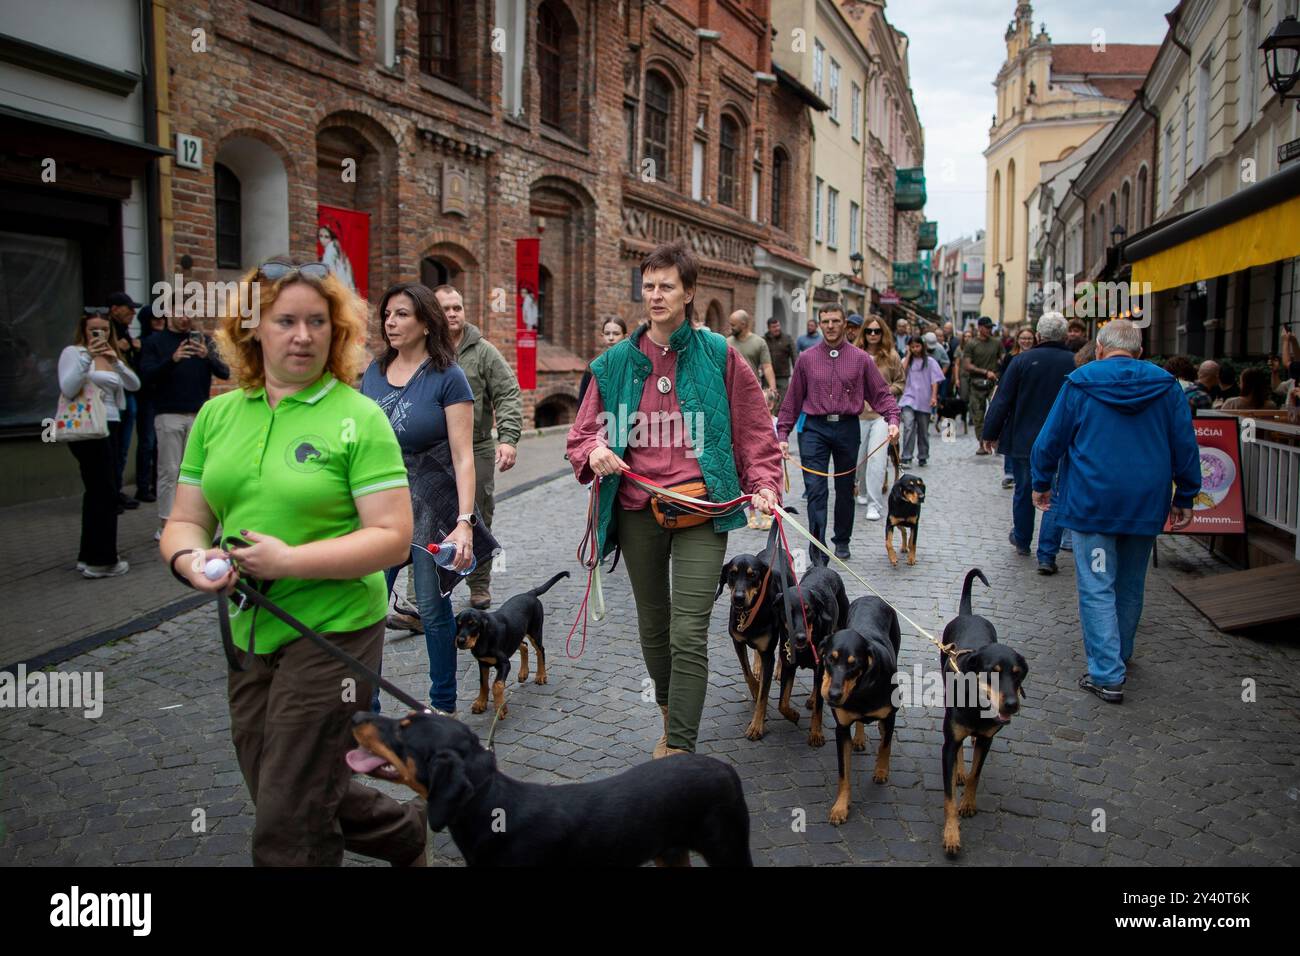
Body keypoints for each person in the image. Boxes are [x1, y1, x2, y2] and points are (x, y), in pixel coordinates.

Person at [161, 257, 427, 865]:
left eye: (317, 322)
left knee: (287, 823)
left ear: (337, 332)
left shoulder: (359, 418)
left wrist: (289, 560)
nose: (303, 336)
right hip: (249, 629)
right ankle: (406, 833)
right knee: (278, 785)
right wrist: (189, 559)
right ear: (253, 328)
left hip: (333, 630)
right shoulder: (217, 415)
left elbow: (391, 537)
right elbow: (186, 520)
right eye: (285, 321)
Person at [566, 239, 783, 757]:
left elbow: (755, 430)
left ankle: (680, 746)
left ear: (689, 293)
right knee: (654, 624)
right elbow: (581, 435)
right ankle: (669, 709)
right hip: (638, 509)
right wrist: (595, 450)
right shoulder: (614, 363)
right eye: (649, 286)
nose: (656, 295)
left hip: (703, 509)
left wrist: (765, 484)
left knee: (689, 630)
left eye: (667, 286)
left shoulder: (721, 355)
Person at [1030, 319, 1200, 704]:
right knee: (1130, 582)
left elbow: (1050, 439)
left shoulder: (1080, 381)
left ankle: (1107, 673)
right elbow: (1184, 444)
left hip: (1094, 499)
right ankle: (1118, 654)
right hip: (1145, 500)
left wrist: (1041, 483)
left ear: (1101, 349)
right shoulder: (1166, 385)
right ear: (1139, 352)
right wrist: (1186, 495)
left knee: (1097, 583)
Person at [362, 282, 490, 714]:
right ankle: (368, 706)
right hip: (379, 507)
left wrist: (465, 521)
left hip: (433, 507)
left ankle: (443, 706)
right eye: (387, 315)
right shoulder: (374, 372)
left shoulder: (447, 376)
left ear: (424, 322)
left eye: (400, 314)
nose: (390, 322)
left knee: (434, 613)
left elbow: (463, 455)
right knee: (366, 610)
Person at [777, 304, 900, 565]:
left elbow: (881, 394)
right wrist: (782, 435)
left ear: (845, 324)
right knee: (816, 489)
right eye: (825, 321)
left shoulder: (861, 359)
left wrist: (892, 419)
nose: (830, 326)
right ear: (820, 324)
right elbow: (792, 401)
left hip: (847, 427)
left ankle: (842, 541)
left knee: (845, 488)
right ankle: (818, 546)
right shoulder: (806, 359)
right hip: (814, 429)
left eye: (835, 321)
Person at [433, 284, 523, 611]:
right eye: (447, 308)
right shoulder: (425, 351)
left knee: (476, 516)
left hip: (477, 447)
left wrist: (509, 439)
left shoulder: (482, 350)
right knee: (426, 518)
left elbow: (508, 393)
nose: (454, 313)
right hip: (434, 451)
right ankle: (421, 600)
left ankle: (479, 585)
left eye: (458, 307)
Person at [982, 313, 1074, 574]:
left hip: (1025, 438)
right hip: (1061, 440)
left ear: (1038, 336)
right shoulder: (1074, 363)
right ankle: (1047, 555)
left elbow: (1003, 399)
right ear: (1065, 336)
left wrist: (990, 432)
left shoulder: (1022, 361)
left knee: (1024, 489)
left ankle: (1022, 540)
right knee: (1054, 495)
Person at [139, 301, 231, 542]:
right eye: (180, 312)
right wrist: (173, 359)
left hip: (199, 414)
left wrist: (207, 356)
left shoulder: (204, 341)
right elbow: (146, 377)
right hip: (168, 413)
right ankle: (166, 524)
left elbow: (225, 373)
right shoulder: (154, 343)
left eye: (190, 312)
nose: (185, 317)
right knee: (169, 471)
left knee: (205, 471)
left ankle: (209, 523)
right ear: (168, 313)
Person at [58, 310, 141, 577]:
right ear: (83, 331)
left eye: (104, 329)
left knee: (100, 491)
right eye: (94, 329)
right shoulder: (74, 353)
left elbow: (134, 385)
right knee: (104, 493)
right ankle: (102, 561)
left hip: (112, 425)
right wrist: (87, 357)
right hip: (88, 429)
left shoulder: (110, 355)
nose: (100, 334)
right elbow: (68, 387)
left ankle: (89, 555)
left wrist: (115, 361)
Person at [855, 316, 904, 520]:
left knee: (877, 458)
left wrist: (882, 391)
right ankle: (863, 491)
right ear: (864, 333)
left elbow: (901, 383)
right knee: (860, 458)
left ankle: (875, 504)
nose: (873, 335)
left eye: (877, 331)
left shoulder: (891, 356)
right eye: (869, 331)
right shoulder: (855, 354)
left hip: (882, 415)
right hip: (858, 414)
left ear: (882, 333)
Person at [106, 292, 143, 511]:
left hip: (128, 394)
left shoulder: (125, 333)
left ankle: (116, 490)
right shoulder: (108, 332)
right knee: (113, 447)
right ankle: (111, 492)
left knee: (122, 447)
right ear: (114, 309)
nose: (132, 312)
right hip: (110, 399)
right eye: (128, 308)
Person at [132, 305, 168, 503]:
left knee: (158, 446)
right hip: (147, 397)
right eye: (155, 319)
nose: (160, 322)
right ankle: (143, 486)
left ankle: (155, 485)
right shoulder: (141, 343)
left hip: (163, 397)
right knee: (147, 442)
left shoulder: (166, 342)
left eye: (163, 319)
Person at [995, 326, 1037, 488]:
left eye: (1029, 338)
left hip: (1031, 401)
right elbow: (1003, 380)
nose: (1026, 341)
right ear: (1017, 340)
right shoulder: (1010, 357)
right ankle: (1009, 472)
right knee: (1010, 434)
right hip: (1013, 401)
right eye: (1023, 338)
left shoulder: (1037, 356)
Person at [898, 336, 944, 468]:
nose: (915, 349)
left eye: (917, 346)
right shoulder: (907, 361)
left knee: (923, 430)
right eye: (912, 347)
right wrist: (907, 355)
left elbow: (934, 381)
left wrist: (934, 397)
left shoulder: (930, 362)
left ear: (922, 346)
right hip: (908, 398)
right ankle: (906, 455)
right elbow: (900, 372)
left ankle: (923, 455)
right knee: (908, 426)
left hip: (924, 399)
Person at [963, 316, 1004, 455]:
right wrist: (985, 372)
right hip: (976, 383)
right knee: (978, 414)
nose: (989, 330)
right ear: (980, 328)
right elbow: (967, 365)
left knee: (996, 411)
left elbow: (1003, 358)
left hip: (993, 383)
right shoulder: (971, 344)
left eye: (991, 327)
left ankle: (995, 441)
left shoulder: (997, 343)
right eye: (987, 327)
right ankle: (981, 443)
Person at [577, 317, 628, 408]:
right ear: (602, 336)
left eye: (616, 334)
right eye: (607, 334)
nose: (611, 338)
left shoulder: (633, 362)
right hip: (601, 416)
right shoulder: (594, 365)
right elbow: (583, 399)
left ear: (625, 336)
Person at [726, 309, 776, 396]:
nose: (731, 328)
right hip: (731, 388)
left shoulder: (759, 342)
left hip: (752, 388)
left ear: (743, 324)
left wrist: (773, 389)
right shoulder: (727, 342)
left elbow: (767, 367)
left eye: (733, 325)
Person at [764, 316, 795, 407]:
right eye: (774, 327)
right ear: (769, 328)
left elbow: (795, 357)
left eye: (778, 326)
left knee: (782, 401)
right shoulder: (764, 340)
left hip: (782, 376)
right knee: (768, 401)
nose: (777, 329)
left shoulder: (787, 339)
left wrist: (797, 373)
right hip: (767, 377)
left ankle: (780, 420)